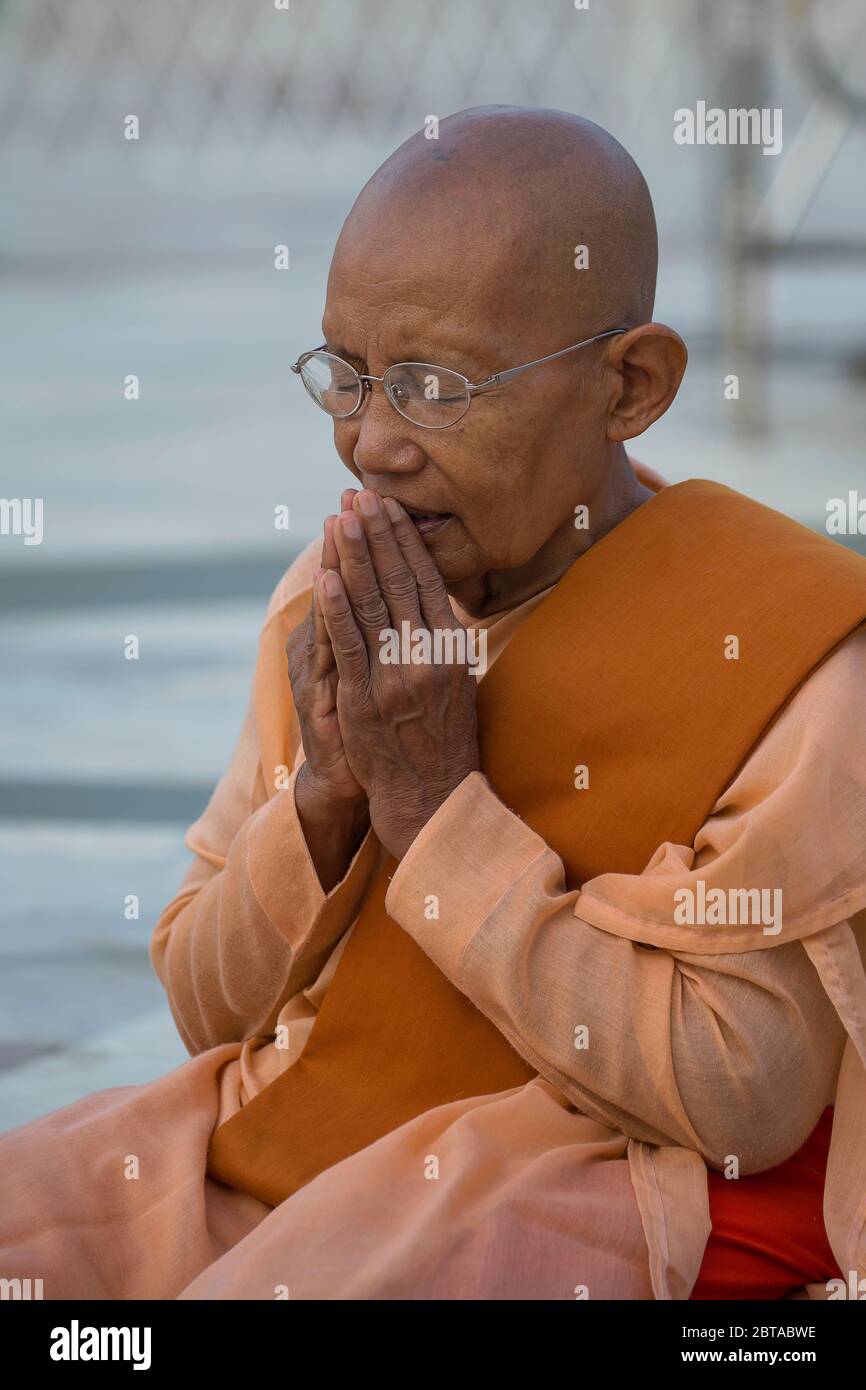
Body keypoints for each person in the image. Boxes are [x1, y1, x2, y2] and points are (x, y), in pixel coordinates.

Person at [2, 106, 865, 1302]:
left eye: (432, 387)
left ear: (629, 386)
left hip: (578, 1167)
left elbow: (738, 1097)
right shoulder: (337, 605)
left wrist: (434, 815)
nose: (370, 444)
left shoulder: (791, 644)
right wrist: (326, 794)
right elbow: (208, 1012)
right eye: (345, 379)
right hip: (297, 1125)